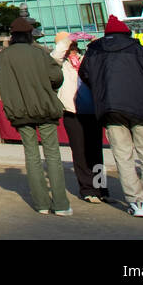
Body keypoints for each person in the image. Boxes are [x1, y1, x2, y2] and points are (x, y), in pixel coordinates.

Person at [78, 16, 143, 219]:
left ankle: (135, 202)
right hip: (141, 108)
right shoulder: (138, 49)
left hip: (109, 109)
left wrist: (101, 90)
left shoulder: (94, 51)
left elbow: (84, 75)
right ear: (126, 33)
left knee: (123, 157)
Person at [0, 17, 71, 215]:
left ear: (11, 36)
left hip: (20, 111)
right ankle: (61, 204)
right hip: (44, 108)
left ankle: (41, 203)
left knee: (31, 155)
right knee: (52, 154)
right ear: (29, 35)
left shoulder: (1, 57)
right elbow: (57, 77)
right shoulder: (40, 53)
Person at [52, 31, 108, 204]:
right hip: (71, 112)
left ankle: (101, 188)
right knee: (80, 152)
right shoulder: (59, 64)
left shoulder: (87, 60)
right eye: (70, 46)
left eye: (75, 46)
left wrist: (92, 38)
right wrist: (67, 40)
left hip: (92, 111)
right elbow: (55, 55)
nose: (73, 50)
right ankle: (87, 189)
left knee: (96, 152)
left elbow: (102, 51)